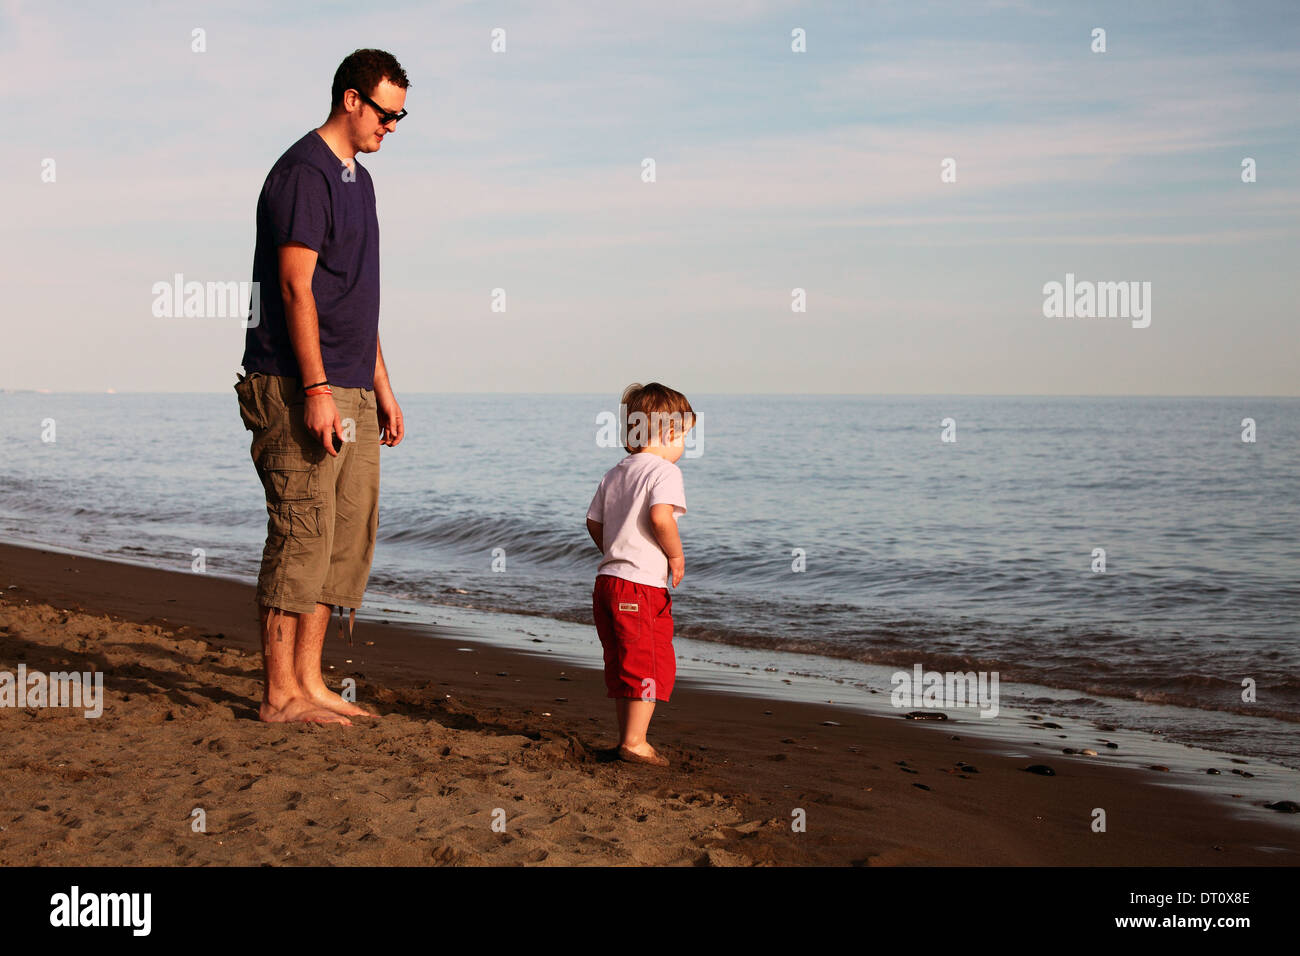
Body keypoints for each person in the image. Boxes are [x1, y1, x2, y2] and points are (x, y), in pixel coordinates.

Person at [233, 49, 408, 725]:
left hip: (353, 385)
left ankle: (309, 682)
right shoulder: (303, 174)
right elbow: (294, 285)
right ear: (351, 99)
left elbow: (354, 300)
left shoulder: (358, 181)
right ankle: (279, 694)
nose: (392, 128)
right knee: (301, 533)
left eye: (401, 117)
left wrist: (382, 386)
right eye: (387, 115)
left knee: (342, 544)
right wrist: (315, 388)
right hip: (294, 381)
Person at [586, 383, 696, 765]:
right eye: (684, 437)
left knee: (622, 661)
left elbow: (593, 522)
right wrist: (676, 556)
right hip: (641, 587)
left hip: (607, 584)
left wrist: (615, 551)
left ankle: (628, 737)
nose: (684, 447)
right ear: (667, 433)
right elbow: (659, 516)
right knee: (648, 661)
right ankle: (634, 743)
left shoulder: (615, 473)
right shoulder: (663, 472)